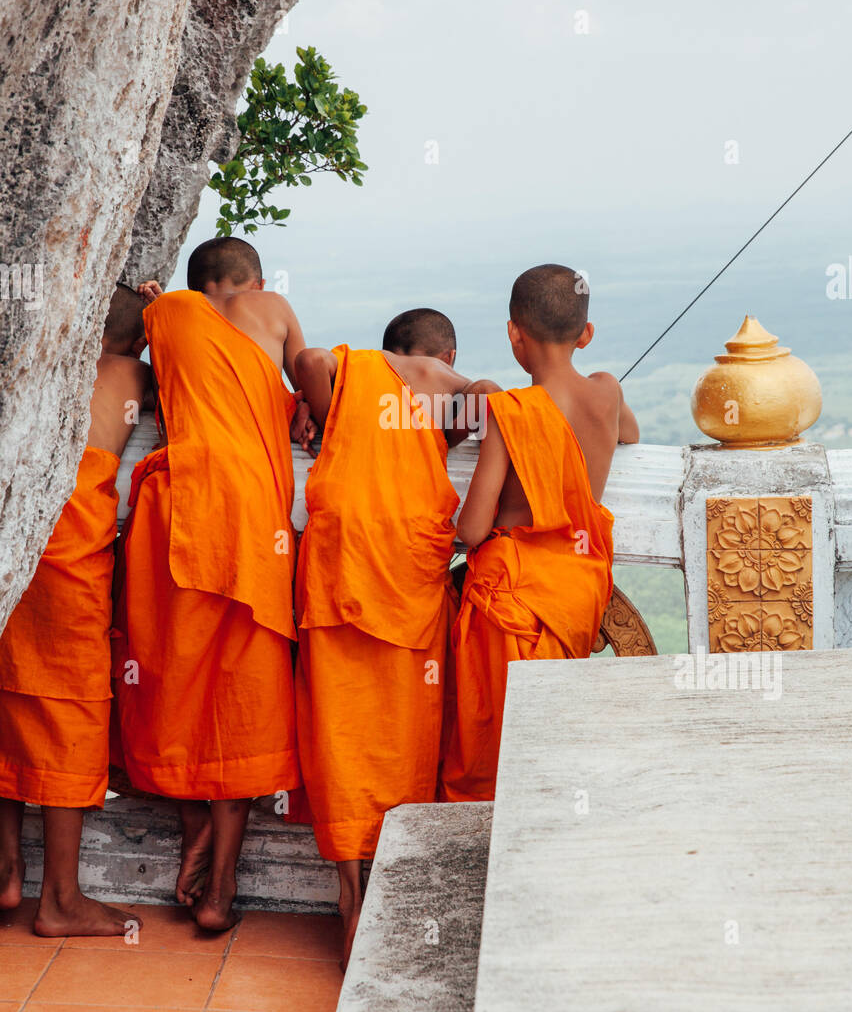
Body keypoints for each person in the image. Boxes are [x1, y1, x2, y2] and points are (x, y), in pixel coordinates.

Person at [113, 237, 307, 931]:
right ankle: (221, 883)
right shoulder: (273, 308)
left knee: (177, 682)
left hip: (179, 514)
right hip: (253, 525)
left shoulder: (170, 316)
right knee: (242, 698)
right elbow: (310, 383)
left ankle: (194, 834)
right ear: (250, 279)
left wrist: (153, 301)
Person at [291, 331, 498, 966]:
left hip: (342, 558)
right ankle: (386, 888)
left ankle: (349, 895)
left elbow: (312, 361)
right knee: (403, 728)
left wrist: (313, 402)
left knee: (338, 723)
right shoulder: (441, 382)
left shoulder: (356, 372)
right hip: (407, 569)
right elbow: (490, 397)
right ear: (447, 354)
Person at [439, 263, 639, 803]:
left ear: (513, 334)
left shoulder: (512, 411)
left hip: (514, 597)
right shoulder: (607, 391)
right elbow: (631, 431)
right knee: (550, 742)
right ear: (587, 334)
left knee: (494, 748)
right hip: (576, 588)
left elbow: (475, 528)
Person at [0, 285, 150, 936]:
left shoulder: (34, 367)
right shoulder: (134, 371)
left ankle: (5, 874)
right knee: (72, 714)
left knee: (6, 699)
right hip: (71, 559)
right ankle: (60, 898)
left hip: (17, 537)